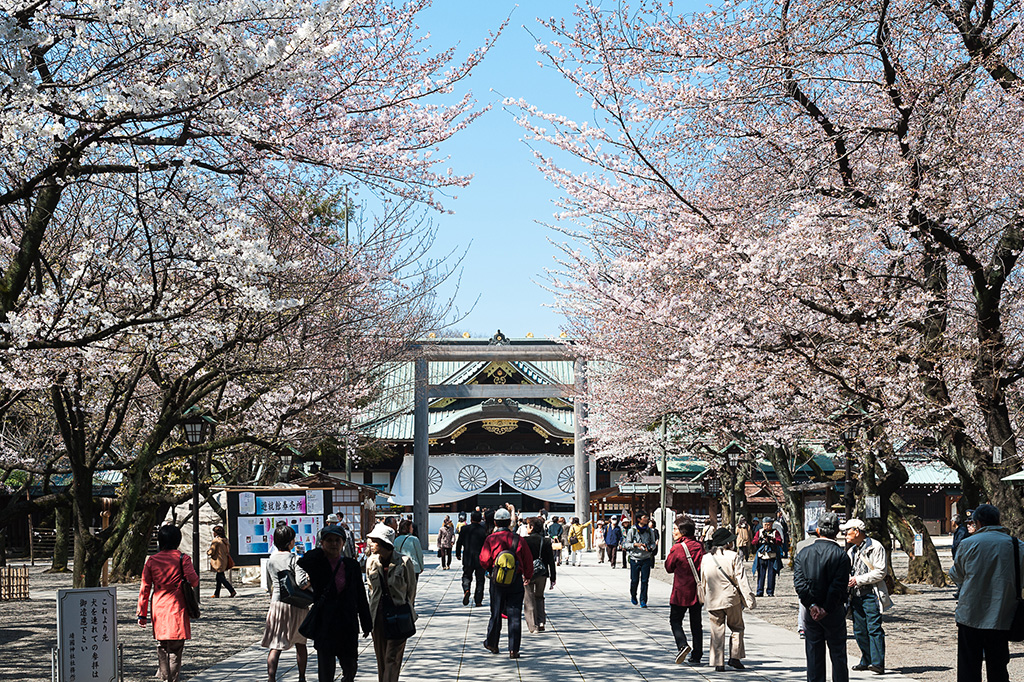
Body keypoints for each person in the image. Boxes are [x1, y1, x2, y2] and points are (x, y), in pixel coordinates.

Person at [949, 503, 1024, 682]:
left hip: (970, 614)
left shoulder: (968, 543)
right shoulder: (1017, 545)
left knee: (968, 667)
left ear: (978, 522)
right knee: (998, 667)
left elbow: (956, 575)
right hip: (1002, 614)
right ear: (998, 521)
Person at [297, 524, 370, 682]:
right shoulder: (317, 564)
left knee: (350, 667)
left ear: (343, 542)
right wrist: (320, 551)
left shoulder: (352, 566)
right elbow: (303, 563)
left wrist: (366, 622)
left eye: (337, 540)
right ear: (322, 543)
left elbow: (360, 596)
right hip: (325, 625)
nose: (334, 544)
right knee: (326, 672)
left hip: (347, 624)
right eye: (329, 540)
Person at [137, 525, 200, 682]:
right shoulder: (182, 559)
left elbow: (145, 588)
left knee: (162, 646)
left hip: (158, 607)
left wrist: (142, 614)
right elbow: (194, 581)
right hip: (176, 606)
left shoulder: (151, 561)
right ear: (178, 541)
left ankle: (165, 678)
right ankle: (171, 679)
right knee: (176, 649)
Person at [793, 512, 851, 682]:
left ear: (818, 530)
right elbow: (838, 586)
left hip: (811, 612)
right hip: (833, 611)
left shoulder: (803, 553)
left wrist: (811, 605)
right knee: (838, 653)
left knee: (813, 653)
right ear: (837, 532)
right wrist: (827, 608)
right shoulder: (841, 555)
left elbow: (800, 584)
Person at [479, 507, 535, 658]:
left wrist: (491, 568)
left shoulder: (491, 539)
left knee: (496, 612)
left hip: (497, 580)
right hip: (515, 580)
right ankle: (513, 649)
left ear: (496, 522)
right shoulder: (518, 539)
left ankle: (492, 643)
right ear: (510, 522)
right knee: (514, 613)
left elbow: (483, 560)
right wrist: (528, 575)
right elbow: (528, 560)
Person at [365, 523, 417, 682]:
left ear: (384, 543)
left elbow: (411, 591)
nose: (371, 545)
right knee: (382, 660)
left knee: (392, 659)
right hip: (378, 616)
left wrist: (408, 611)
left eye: (375, 541)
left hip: (399, 615)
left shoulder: (404, 561)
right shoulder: (371, 562)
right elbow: (370, 589)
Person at [701, 526, 756, 672]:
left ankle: (718, 661)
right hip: (731, 599)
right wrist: (749, 599)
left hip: (713, 598)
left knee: (716, 630)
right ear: (727, 543)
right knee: (737, 627)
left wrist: (703, 597)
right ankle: (735, 657)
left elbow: (703, 580)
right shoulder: (733, 556)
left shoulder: (706, 558)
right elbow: (741, 580)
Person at [841, 518, 891, 674]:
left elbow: (881, 572)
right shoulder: (852, 551)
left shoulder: (876, 547)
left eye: (847, 531)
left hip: (871, 594)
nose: (845, 535)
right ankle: (866, 659)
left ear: (857, 531)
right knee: (859, 629)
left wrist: (857, 579)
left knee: (874, 628)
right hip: (855, 595)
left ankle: (877, 663)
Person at [263, 526, 311, 682]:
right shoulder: (294, 559)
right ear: (291, 542)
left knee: (275, 645)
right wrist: (311, 579)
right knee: (300, 643)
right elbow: (302, 583)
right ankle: (302, 677)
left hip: (277, 604)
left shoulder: (270, 560)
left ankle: (271, 678)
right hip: (296, 605)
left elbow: (270, 584)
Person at [664, 515, 704, 665]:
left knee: (675, 620)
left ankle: (682, 645)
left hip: (681, 591)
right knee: (696, 624)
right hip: (696, 590)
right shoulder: (699, 546)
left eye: (675, 529)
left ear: (682, 531)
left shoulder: (677, 548)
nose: (673, 532)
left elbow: (668, 568)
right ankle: (697, 654)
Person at [523, 516, 556, 633]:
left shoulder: (524, 540)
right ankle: (541, 621)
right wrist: (553, 577)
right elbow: (551, 560)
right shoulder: (546, 541)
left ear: (531, 527)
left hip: (528, 573)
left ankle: (533, 626)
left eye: (528, 525)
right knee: (539, 597)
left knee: (529, 598)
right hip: (542, 572)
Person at [623, 512, 659, 607]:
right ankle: (633, 595)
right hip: (635, 559)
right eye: (645, 517)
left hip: (646, 558)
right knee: (634, 580)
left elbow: (653, 543)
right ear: (639, 519)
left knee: (645, 581)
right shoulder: (632, 531)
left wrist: (650, 548)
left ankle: (643, 600)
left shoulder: (649, 531)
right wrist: (635, 545)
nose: (647, 519)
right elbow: (626, 544)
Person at [456, 510, 488, 606]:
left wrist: (458, 553)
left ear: (471, 518)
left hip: (468, 557)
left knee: (466, 576)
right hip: (480, 558)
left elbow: (459, 543)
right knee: (480, 579)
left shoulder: (465, 529)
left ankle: (466, 589)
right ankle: (478, 600)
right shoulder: (484, 530)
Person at [752, 517, 783, 597]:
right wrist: (759, 539)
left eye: (768, 525)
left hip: (772, 556)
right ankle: (759, 591)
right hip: (762, 556)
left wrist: (773, 540)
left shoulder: (775, 532)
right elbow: (753, 542)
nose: (766, 526)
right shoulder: (759, 532)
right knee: (761, 575)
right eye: (765, 525)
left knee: (771, 575)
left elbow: (780, 541)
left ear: (771, 525)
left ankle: (770, 591)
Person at [206, 524, 237, 598]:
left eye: (214, 532)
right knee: (219, 577)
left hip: (218, 561)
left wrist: (208, 552)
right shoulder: (225, 540)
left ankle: (232, 590)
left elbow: (212, 551)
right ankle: (217, 593)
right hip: (224, 561)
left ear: (216, 533)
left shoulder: (216, 541)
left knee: (221, 578)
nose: (213, 533)